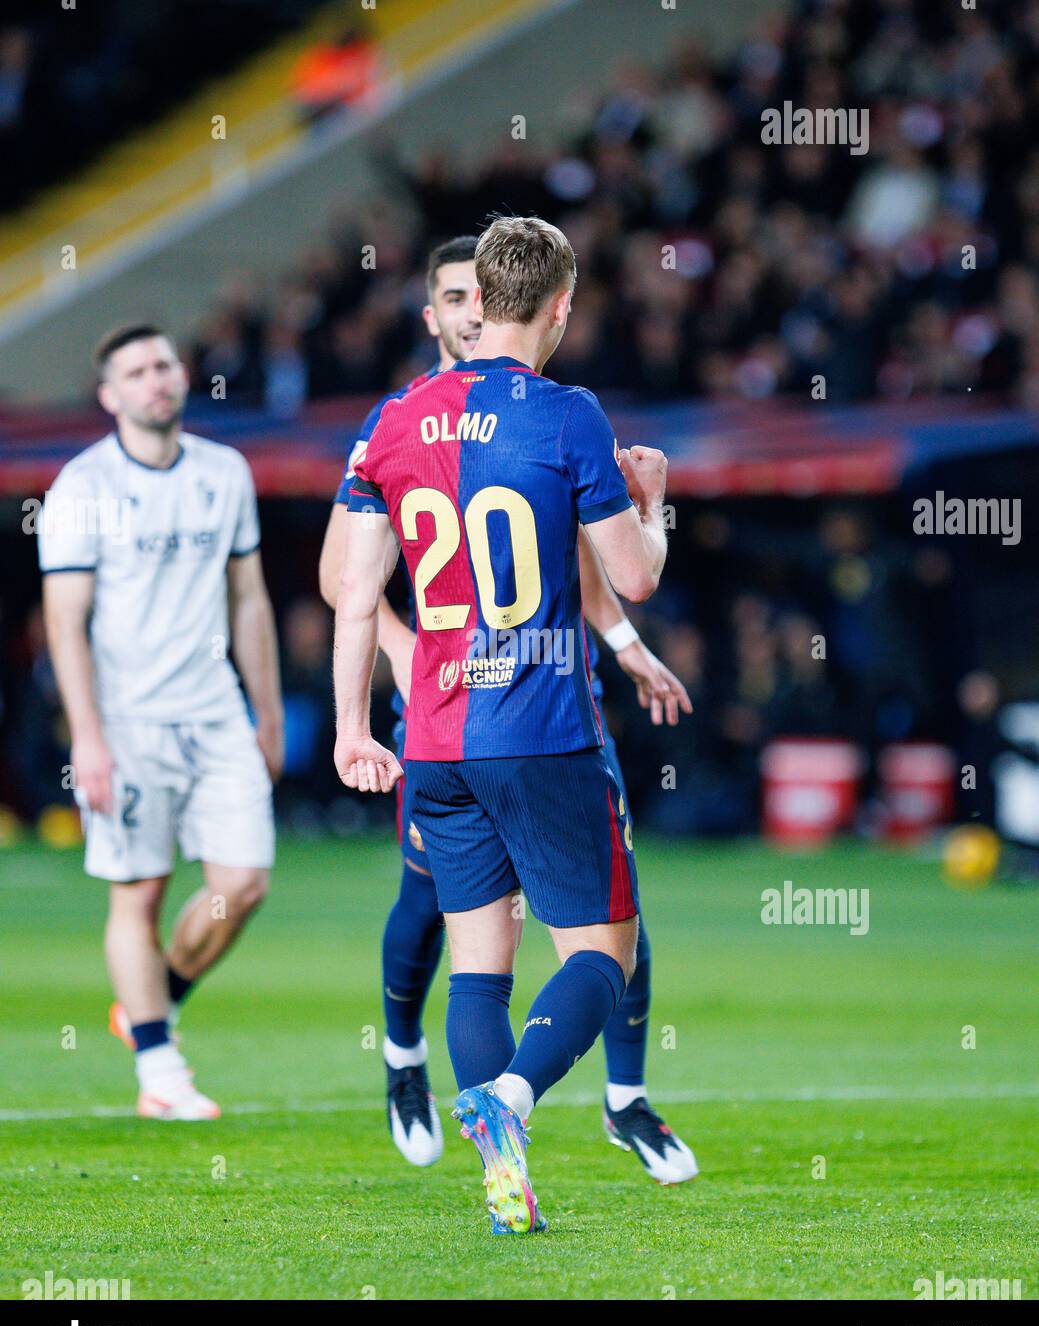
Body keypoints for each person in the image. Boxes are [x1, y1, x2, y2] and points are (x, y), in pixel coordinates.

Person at [332, 216, 686, 1233]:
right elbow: (633, 575)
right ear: (562, 306)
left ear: (473, 302)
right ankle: (515, 1098)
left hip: (433, 738)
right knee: (598, 956)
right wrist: (653, 499)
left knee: (478, 964)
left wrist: (358, 727)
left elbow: (358, 596)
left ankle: (501, 1174)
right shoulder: (567, 414)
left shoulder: (393, 420)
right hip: (538, 726)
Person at [38, 324, 283, 1120]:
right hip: (129, 721)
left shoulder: (224, 471)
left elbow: (248, 600)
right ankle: (159, 1071)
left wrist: (268, 711)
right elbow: (66, 621)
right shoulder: (82, 487)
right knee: (138, 895)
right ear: (110, 395)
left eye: (166, 365)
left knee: (241, 883)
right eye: (137, 371)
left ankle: (153, 1002)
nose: (158, 380)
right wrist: (89, 736)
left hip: (213, 713)